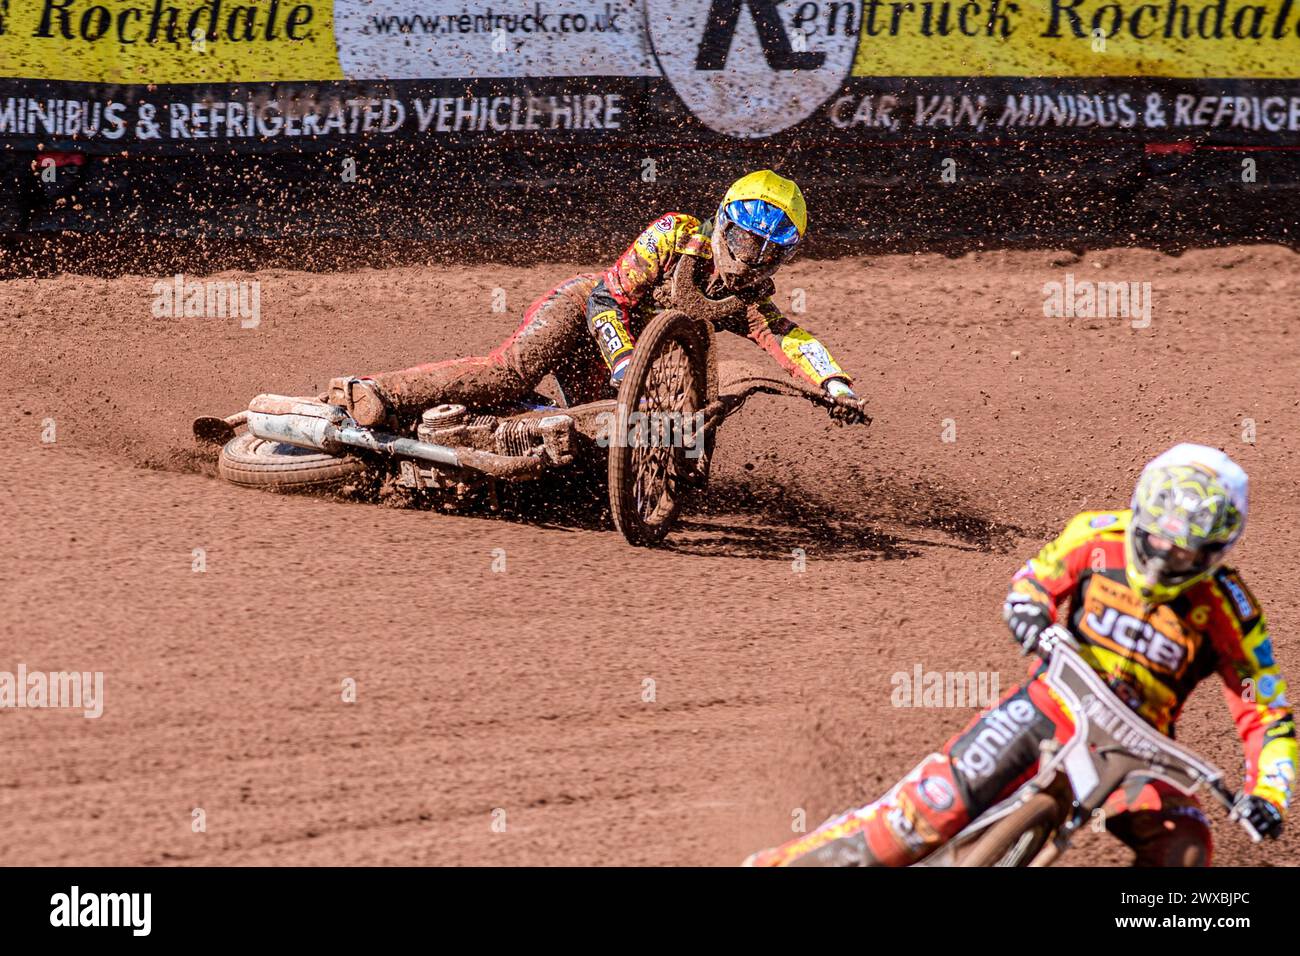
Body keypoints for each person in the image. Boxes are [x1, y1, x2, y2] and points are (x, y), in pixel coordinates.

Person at [746, 443, 1296, 866]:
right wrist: (1029, 612)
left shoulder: (1232, 610)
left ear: (1217, 549)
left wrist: (1269, 793)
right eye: (1155, 542)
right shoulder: (1095, 536)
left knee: (1187, 850)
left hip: (1139, 749)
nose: (1162, 562)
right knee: (916, 821)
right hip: (1050, 704)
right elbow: (1034, 581)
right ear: (1140, 514)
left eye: (1183, 554)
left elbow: (1268, 714)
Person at [327, 170, 868, 426]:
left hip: (628, 367)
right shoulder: (675, 234)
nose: (751, 261)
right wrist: (626, 361)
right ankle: (379, 391)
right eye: (747, 242)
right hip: (586, 309)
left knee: (594, 433)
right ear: (725, 224)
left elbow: (789, 339)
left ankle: (515, 427)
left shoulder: (749, 299)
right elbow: (608, 300)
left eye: (769, 254)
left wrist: (835, 384)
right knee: (509, 370)